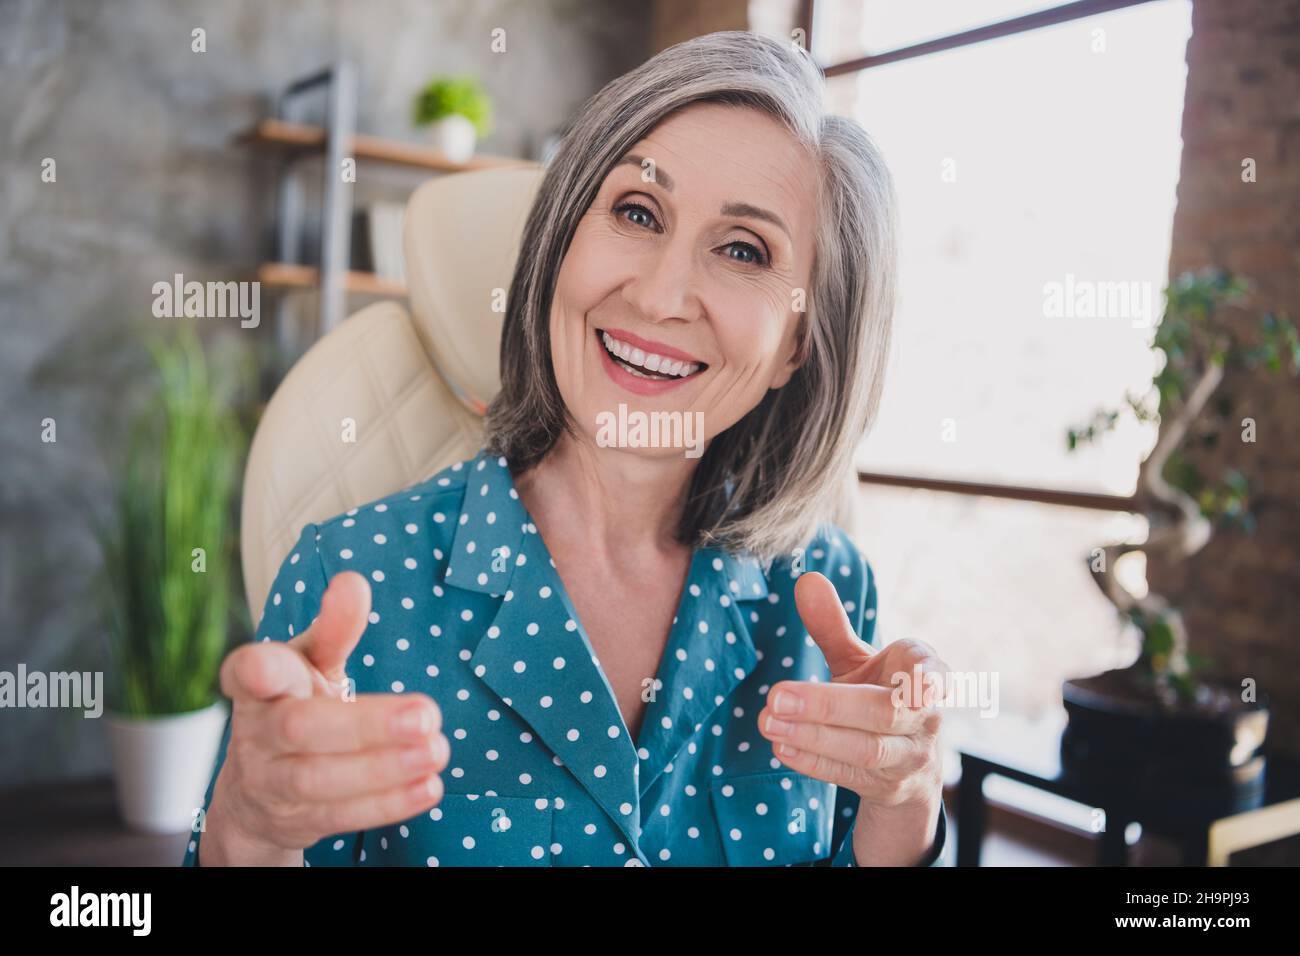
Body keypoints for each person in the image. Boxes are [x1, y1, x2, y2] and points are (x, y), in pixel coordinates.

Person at [187, 29, 949, 868]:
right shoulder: (354, 576)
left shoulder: (827, 591)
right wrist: (250, 831)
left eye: (743, 250)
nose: (660, 295)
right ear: (561, 246)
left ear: (800, 346)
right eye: (635, 212)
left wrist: (906, 800)